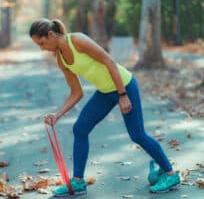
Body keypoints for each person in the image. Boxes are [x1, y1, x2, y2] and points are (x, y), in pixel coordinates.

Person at [29, 18, 180, 197]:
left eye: (42, 43)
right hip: (105, 92)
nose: (42, 48)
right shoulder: (61, 59)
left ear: (51, 34)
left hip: (124, 85)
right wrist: (57, 115)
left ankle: (170, 174)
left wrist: (123, 95)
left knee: (137, 134)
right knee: (80, 128)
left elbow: (109, 61)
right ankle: (78, 182)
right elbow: (76, 92)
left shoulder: (77, 40)